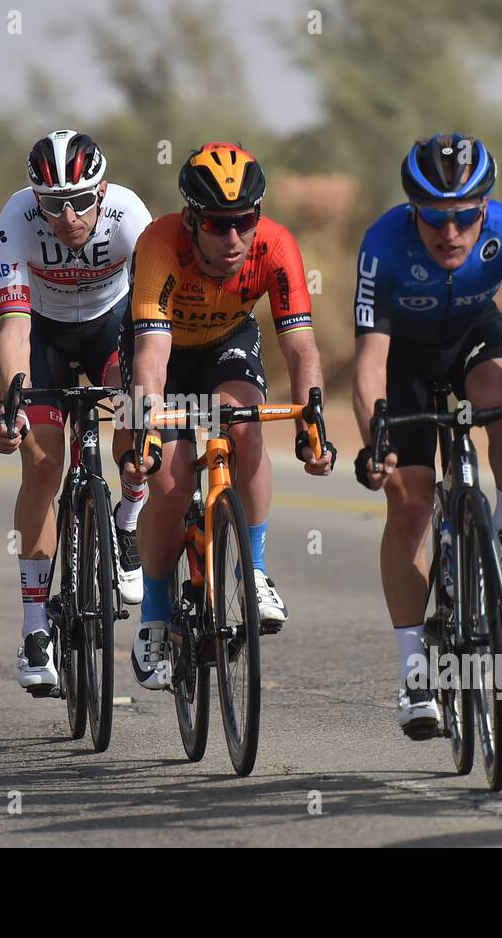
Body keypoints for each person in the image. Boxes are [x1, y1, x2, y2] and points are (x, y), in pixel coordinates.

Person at [352, 134, 502, 738]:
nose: (449, 231)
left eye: (463, 216)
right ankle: (413, 672)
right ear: (413, 209)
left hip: (474, 338)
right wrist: (374, 437)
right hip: (404, 356)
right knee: (408, 504)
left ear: (485, 207)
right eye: (433, 216)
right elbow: (370, 359)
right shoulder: (382, 243)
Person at [123, 142, 335, 690]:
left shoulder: (277, 247)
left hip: (226, 344)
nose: (234, 238)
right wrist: (147, 427)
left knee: (245, 422)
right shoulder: (160, 244)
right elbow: (150, 358)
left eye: (245, 221)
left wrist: (313, 420)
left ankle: (256, 570)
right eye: (219, 225)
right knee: (167, 485)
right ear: (192, 219)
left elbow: (303, 350)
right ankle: (154, 611)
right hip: (161, 347)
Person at [0, 130, 152, 690]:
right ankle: (36, 626)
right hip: (44, 337)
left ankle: (127, 520)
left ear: (102, 191)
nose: (66, 215)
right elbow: (11, 326)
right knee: (40, 466)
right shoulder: (15, 217)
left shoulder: (130, 213)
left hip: (112, 330)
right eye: (52, 202)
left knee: (136, 415)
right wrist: (11, 397)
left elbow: (157, 316)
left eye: (81, 200)